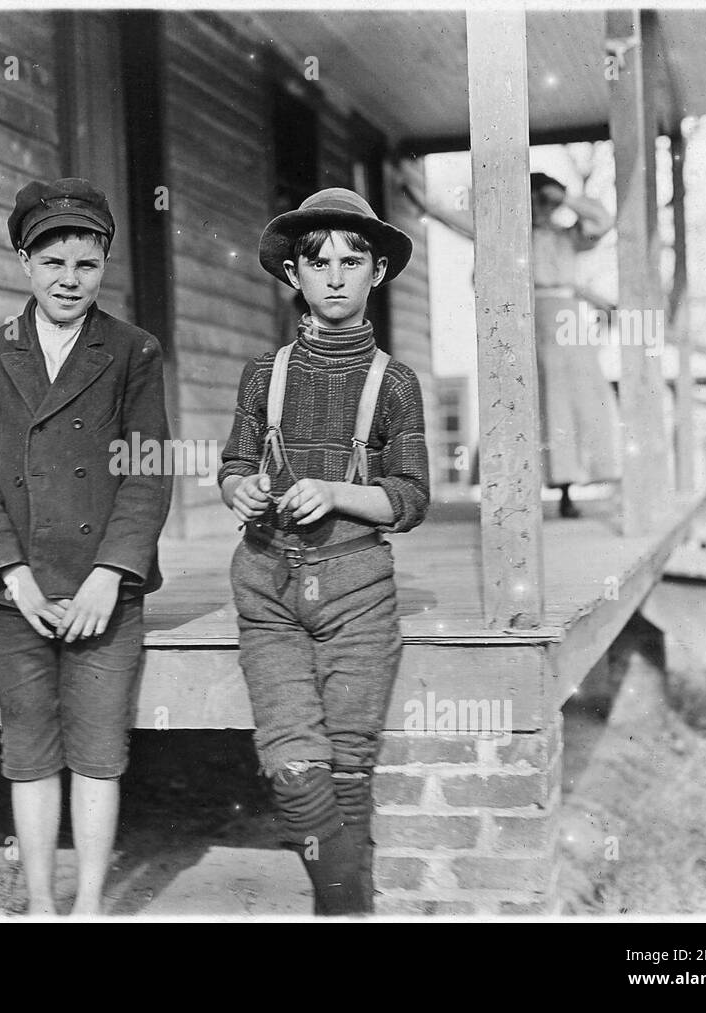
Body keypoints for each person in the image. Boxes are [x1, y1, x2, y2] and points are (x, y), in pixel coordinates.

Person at [0, 178, 172, 916]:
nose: (69, 279)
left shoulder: (134, 351)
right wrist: (11, 576)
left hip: (104, 590)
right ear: (24, 262)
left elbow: (146, 473)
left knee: (99, 754)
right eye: (53, 262)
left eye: (86, 263)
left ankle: (86, 911)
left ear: (105, 262)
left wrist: (113, 574)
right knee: (30, 753)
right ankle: (43, 906)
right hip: (24, 592)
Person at [218, 188, 430, 914]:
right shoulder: (263, 374)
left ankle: (339, 910)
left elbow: (410, 498)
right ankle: (349, 907)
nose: (335, 277)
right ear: (292, 275)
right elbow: (233, 465)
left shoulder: (394, 382)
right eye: (318, 262)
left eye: (352, 261)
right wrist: (240, 491)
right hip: (267, 586)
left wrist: (338, 493)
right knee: (295, 764)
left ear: (377, 273)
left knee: (345, 767)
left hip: (357, 590)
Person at [406, 171, 620, 517]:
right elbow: (455, 220)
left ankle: (575, 485)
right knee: (530, 399)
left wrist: (563, 199)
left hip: (565, 323)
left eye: (547, 202)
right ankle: (528, 488)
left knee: (577, 400)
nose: (543, 209)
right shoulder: (509, 235)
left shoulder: (568, 237)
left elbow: (602, 220)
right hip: (523, 319)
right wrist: (423, 200)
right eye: (536, 200)